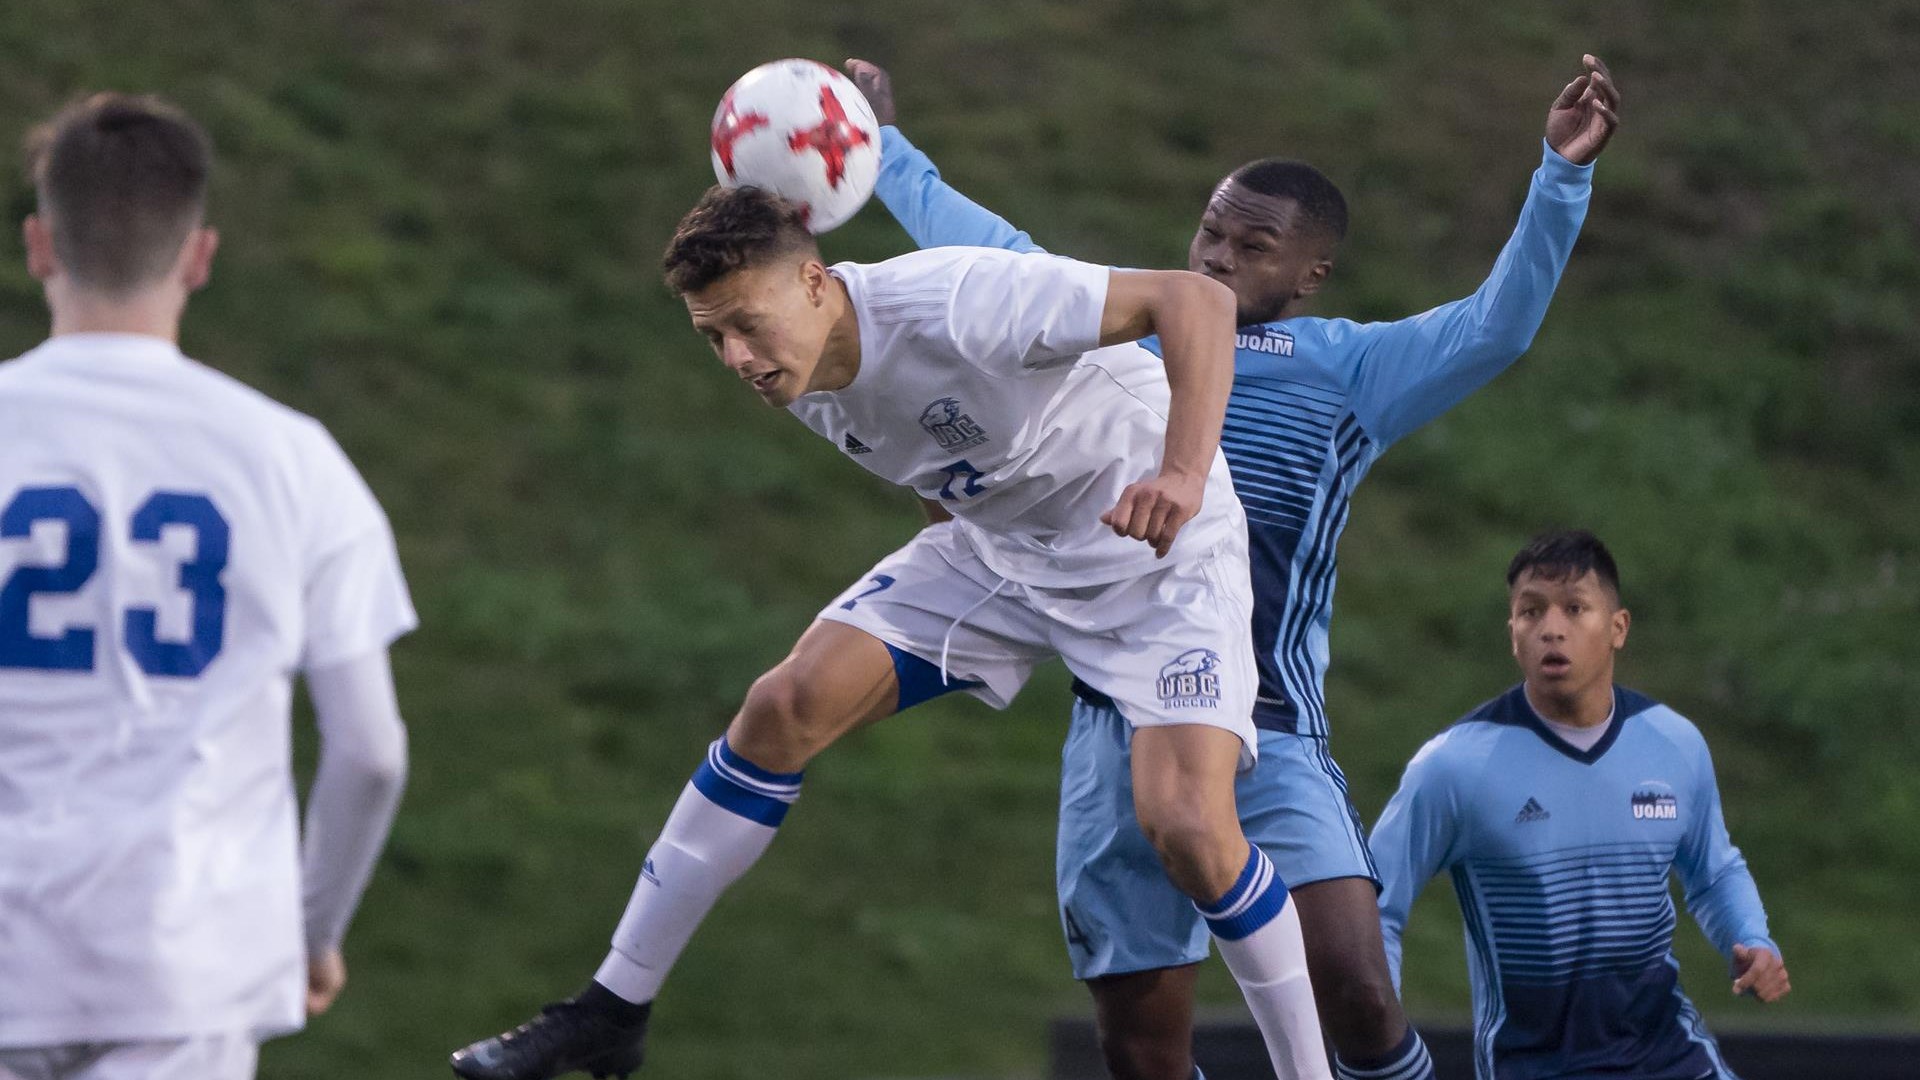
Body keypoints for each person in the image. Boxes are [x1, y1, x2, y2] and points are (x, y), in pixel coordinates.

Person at [844, 53, 1618, 1080]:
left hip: (1269, 725)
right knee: (1141, 1048)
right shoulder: (1124, 333)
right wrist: (885, 147)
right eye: (1211, 231)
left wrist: (1561, 175)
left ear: (1310, 275)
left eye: (1253, 247)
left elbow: (1495, 326)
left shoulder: (1351, 370)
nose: (1217, 258)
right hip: (1120, 727)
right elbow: (992, 254)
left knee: (1357, 989)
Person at [450, 185, 1336, 1079]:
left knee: (1185, 825)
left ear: (814, 283)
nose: (737, 357)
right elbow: (933, 453)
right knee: (783, 706)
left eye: (747, 325)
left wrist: (1181, 474)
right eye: (713, 338)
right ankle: (610, 1011)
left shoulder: (955, 300)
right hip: (1001, 548)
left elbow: (1196, 300)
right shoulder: (796, 371)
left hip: (1157, 556)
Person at [0, 94, 416, 1080]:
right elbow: (370, 753)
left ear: (39, 245)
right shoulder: (289, 458)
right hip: (191, 966)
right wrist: (308, 931)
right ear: (198, 257)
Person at [1371, 530, 1789, 1079]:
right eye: (1531, 611)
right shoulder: (1454, 768)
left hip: (1671, 1058)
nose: (1551, 628)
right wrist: (1379, 1044)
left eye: (1574, 608)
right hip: (1536, 1068)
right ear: (1512, 634)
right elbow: (1373, 910)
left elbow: (1713, 872)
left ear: (1618, 628)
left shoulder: (1674, 744)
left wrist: (1752, 939)